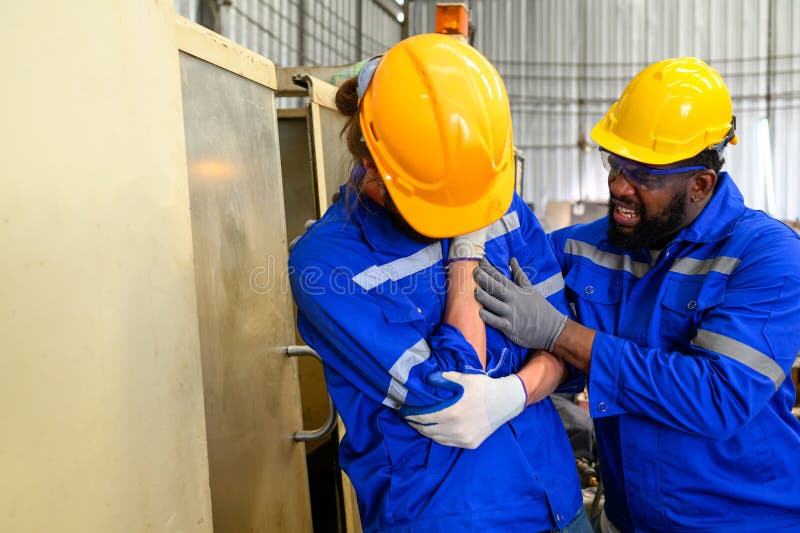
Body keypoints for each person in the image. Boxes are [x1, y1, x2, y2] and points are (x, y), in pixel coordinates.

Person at [453, 57, 800, 531]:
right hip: (629, 520)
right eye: (615, 164)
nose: (619, 186)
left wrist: (561, 334)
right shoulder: (582, 247)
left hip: (745, 520)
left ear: (701, 183)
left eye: (645, 176)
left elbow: (717, 398)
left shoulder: (767, 256)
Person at [289, 33, 590, 532]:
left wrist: (512, 393)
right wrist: (466, 251)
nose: (464, 211)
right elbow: (450, 402)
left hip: (556, 499)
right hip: (449, 516)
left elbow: (564, 342)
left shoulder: (495, 202)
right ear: (373, 162)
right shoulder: (328, 265)